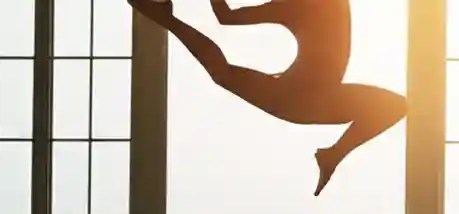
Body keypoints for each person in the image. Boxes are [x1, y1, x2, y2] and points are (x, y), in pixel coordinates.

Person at [129, 0, 408, 196]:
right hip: (296, 96)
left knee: (397, 106)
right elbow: (226, 17)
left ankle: (333, 155)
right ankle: (168, 19)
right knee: (223, 74)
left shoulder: (294, 6)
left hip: (314, 98)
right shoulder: (290, 6)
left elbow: (225, 16)